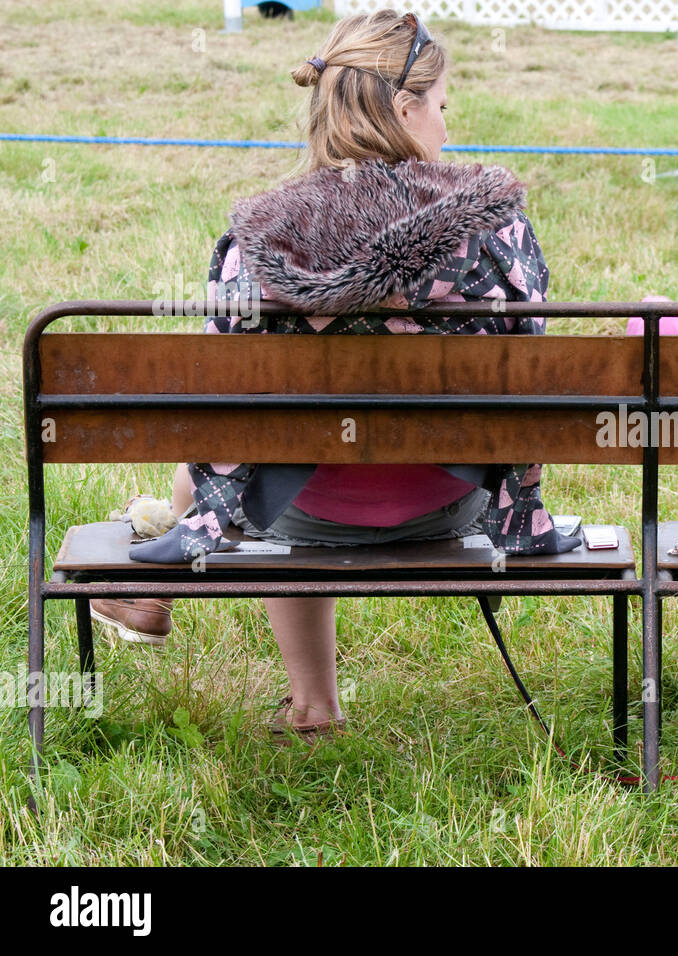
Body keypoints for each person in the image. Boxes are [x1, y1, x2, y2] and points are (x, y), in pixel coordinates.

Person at [91, 10, 579, 738]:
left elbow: (218, 412)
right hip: (451, 500)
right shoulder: (494, 224)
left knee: (252, 454)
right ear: (406, 108)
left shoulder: (258, 236)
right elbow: (530, 381)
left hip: (297, 514)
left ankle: (312, 705)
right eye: (442, 106)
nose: (447, 124)